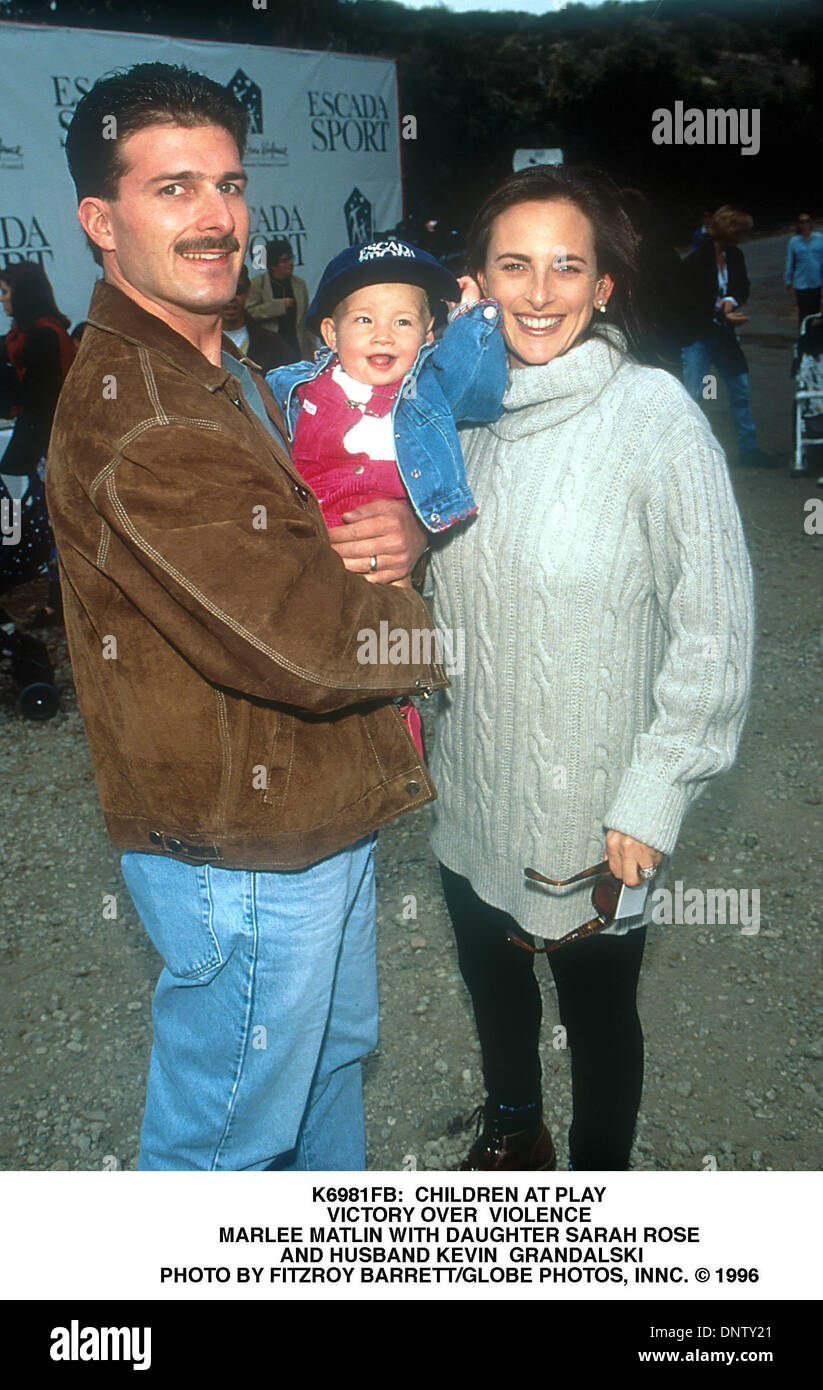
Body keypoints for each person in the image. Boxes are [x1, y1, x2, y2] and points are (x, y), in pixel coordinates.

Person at [46, 61, 446, 1172]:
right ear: (98, 219)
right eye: (171, 189)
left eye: (226, 183)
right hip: (250, 857)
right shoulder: (148, 421)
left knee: (320, 1073)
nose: (216, 217)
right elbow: (307, 644)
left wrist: (393, 539)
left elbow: (315, 552)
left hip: (313, 818)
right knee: (222, 1147)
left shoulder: (230, 373)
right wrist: (454, 617)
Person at [427, 165, 754, 1171]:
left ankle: (601, 1202)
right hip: (470, 789)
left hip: (599, 819)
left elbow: (715, 625)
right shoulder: (444, 419)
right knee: (493, 984)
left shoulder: (654, 418)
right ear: (473, 284)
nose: (538, 291)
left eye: (566, 266)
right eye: (512, 265)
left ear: (602, 286)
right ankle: (515, 1129)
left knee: (601, 1018)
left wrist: (654, 792)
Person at [266, 238, 507, 752]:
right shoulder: (298, 390)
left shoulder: (424, 395)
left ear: (427, 336)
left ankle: (392, 721)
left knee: (392, 632)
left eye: (403, 322)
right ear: (330, 332)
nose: (384, 335)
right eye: (364, 321)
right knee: (304, 644)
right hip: (310, 547)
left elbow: (480, 392)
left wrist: (473, 319)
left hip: (383, 560)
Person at [0, 262, 75, 626]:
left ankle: (56, 601)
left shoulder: (40, 337)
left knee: (54, 525)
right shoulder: (29, 334)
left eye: (5, 292)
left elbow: (42, 401)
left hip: (52, 443)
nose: (2, 301)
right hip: (44, 441)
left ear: (23, 293)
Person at [680, 206, 775, 468]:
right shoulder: (696, 260)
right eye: (740, 232)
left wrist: (731, 301)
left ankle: (749, 449)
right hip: (699, 334)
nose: (743, 237)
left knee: (740, 387)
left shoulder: (735, 255)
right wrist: (718, 312)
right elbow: (688, 302)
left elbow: (742, 286)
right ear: (730, 231)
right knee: (692, 393)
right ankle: (686, 454)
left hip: (724, 335)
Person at [246, 236, 313, 361]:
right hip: (269, 350)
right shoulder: (258, 284)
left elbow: (306, 322)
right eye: (284, 260)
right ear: (273, 265)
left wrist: (311, 353)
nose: (290, 263)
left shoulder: (299, 284)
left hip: (297, 348)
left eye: (291, 258)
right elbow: (249, 313)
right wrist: (278, 306)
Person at [220, 264, 291, 373]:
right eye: (224, 291)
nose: (231, 298)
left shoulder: (274, 344)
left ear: (247, 291)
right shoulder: (197, 344)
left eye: (238, 290)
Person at [785, 213, 823, 325]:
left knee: (815, 309)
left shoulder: (819, 238)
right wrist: (788, 279)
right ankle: (804, 334)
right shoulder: (794, 242)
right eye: (802, 222)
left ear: (811, 223)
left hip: (815, 280)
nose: (805, 224)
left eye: (807, 221)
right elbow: (790, 261)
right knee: (803, 310)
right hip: (801, 282)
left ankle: (812, 333)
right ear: (799, 225)